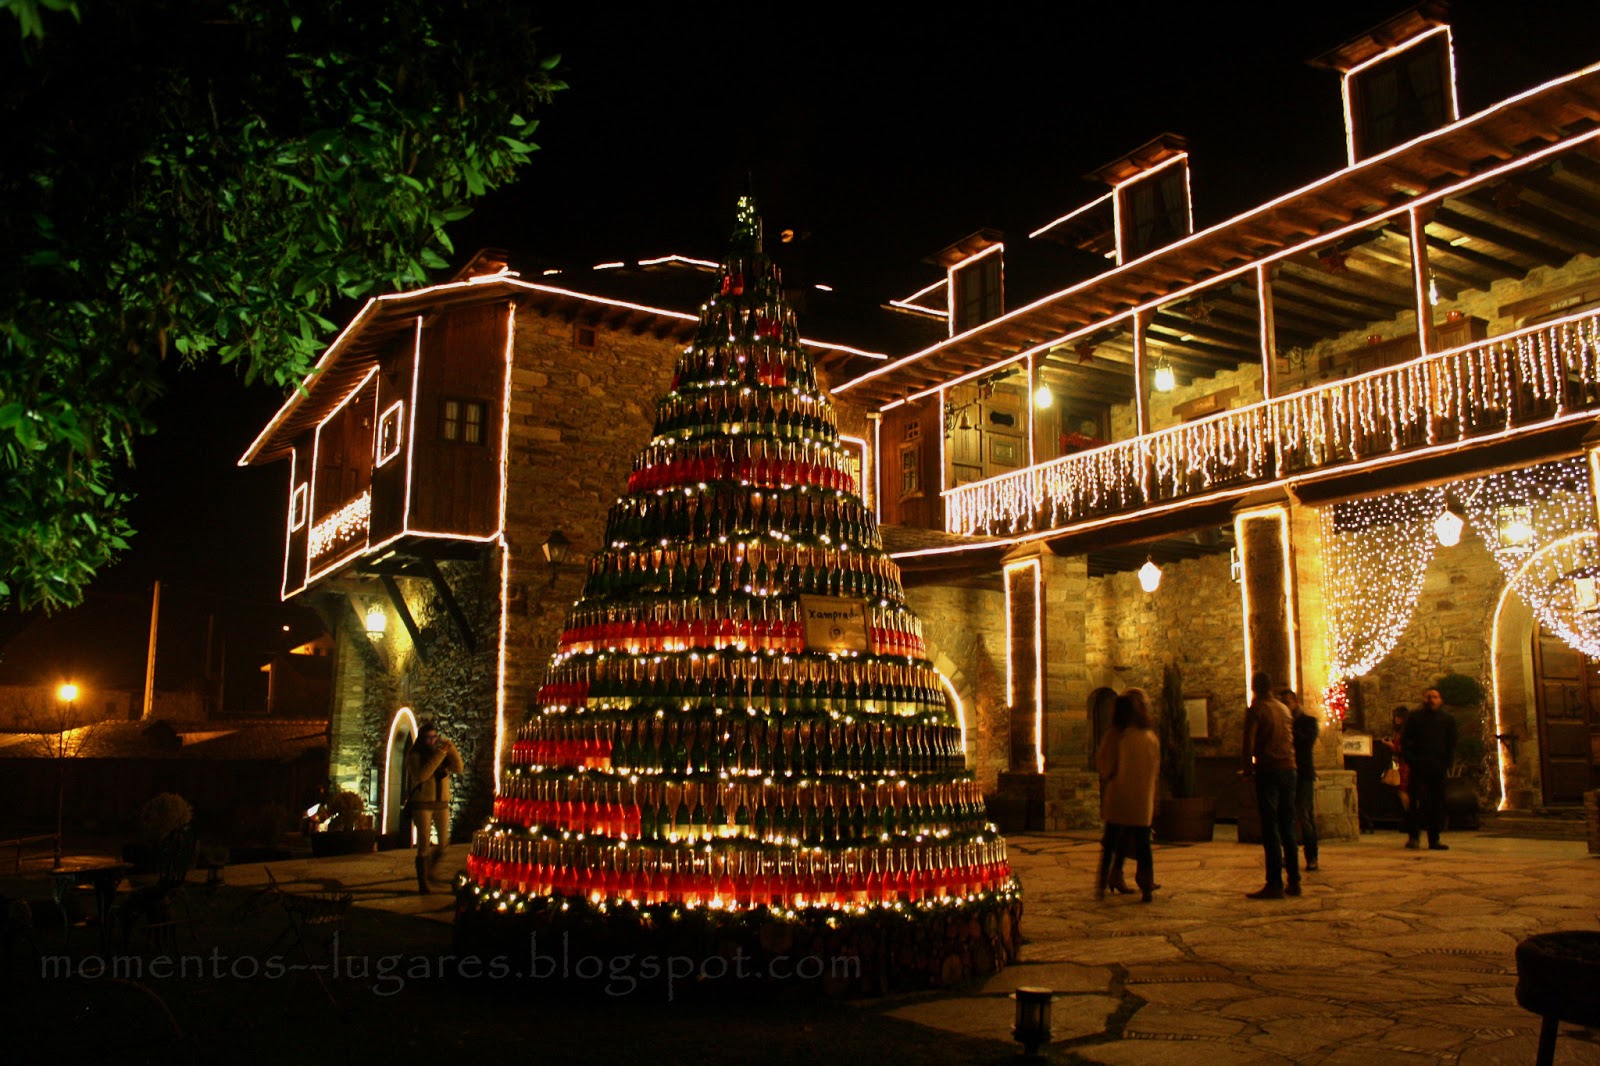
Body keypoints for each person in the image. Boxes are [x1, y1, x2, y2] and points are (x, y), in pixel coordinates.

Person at [1096, 689, 1161, 903]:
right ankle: (1146, 885)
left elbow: (1106, 766)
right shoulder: (1148, 737)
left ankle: (1104, 881)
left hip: (1119, 798)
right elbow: (1154, 769)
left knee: (1113, 840)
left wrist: (1111, 776)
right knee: (1142, 845)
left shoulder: (1119, 736)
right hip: (1141, 800)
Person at [1242, 671, 1300, 899]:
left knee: (1271, 827)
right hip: (1289, 769)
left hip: (1269, 769)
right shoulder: (1283, 708)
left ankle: (1274, 882)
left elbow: (1249, 742)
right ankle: (1294, 880)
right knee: (1288, 827)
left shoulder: (1257, 709)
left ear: (1254, 687)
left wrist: (1247, 770)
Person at [404, 720, 463, 894]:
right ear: (422, 739)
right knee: (423, 843)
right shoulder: (415, 755)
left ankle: (431, 869)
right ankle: (423, 881)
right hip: (422, 804)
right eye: (428, 738)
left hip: (441, 804)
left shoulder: (440, 755)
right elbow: (422, 775)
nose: (432, 741)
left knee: (444, 842)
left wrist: (450, 749)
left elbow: (459, 768)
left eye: (434, 737)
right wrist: (439, 755)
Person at [1402, 688, 1457, 851]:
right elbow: (1406, 740)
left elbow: (1451, 743)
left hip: (1437, 766)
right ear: (1424, 699)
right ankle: (1413, 837)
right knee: (1414, 803)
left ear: (1440, 700)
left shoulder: (1447, 719)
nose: (1431, 700)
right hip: (1418, 766)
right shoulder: (1414, 718)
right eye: (1428, 697)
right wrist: (1410, 759)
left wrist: (1447, 763)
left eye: (1435, 697)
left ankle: (1434, 838)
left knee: (1437, 803)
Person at [1094, 709, 1133, 897]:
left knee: (1119, 840)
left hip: (1122, 795)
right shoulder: (1117, 736)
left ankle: (1109, 879)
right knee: (1115, 840)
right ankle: (1107, 879)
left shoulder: (1124, 735)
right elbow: (1104, 762)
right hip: (1120, 795)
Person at [1282, 689, 1319, 873]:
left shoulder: (1309, 722)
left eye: (1288, 702)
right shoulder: (1282, 722)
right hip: (1287, 773)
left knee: (1304, 815)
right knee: (1287, 815)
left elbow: (1306, 742)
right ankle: (1289, 854)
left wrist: (1290, 729)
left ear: (1295, 702)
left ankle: (1312, 857)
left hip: (1303, 774)